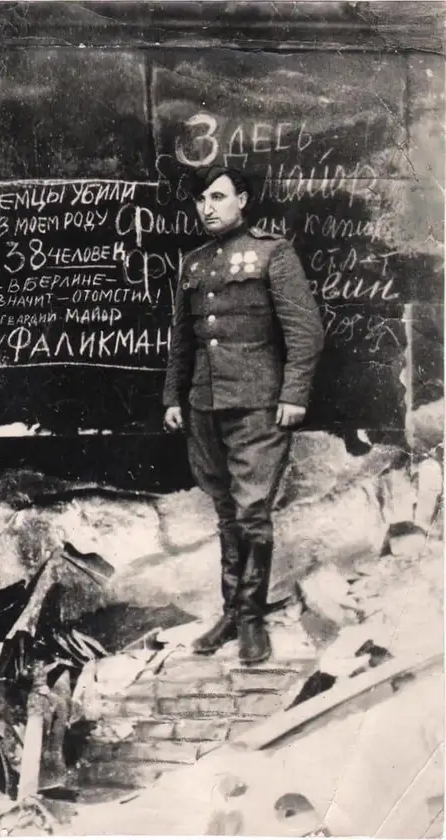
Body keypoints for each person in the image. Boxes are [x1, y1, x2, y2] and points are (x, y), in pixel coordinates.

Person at [163, 164, 324, 665]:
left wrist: (294, 394)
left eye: (217, 197)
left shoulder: (272, 253)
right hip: (204, 407)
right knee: (226, 512)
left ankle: (251, 618)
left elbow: (306, 332)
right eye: (200, 199)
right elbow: (182, 342)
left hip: (258, 408)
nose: (206, 207)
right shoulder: (193, 263)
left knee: (253, 512)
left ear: (243, 202)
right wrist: (173, 398)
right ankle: (231, 614)